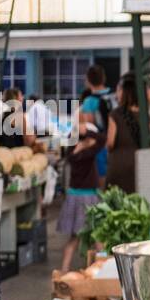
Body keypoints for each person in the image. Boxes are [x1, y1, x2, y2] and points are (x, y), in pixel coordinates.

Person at [60, 83, 109, 273]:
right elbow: (103, 139)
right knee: (97, 238)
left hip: (73, 196)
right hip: (88, 197)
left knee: (74, 238)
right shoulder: (89, 152)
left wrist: (77, 132)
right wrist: (87, 131)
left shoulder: (73, 152)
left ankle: (63, 271)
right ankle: (103, 271)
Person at [106, 73, 141, 194]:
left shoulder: (115, 114)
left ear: (124, 92)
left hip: (118, 164)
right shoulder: (145, 114)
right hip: (139, 165)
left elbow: (110, 143)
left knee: (115, 204)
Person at [80, 65, 113, 188]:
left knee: (101, 179)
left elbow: (90, 126)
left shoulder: (89, 101)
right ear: (103, 78)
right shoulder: (113, 96)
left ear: (88, 81)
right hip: (115, 142)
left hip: (100, 144)